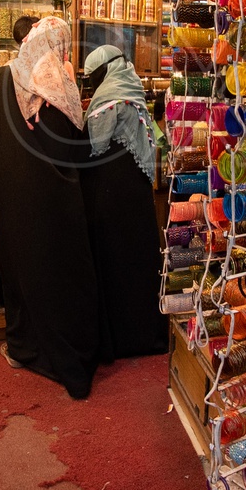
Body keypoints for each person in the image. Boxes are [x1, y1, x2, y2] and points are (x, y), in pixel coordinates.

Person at [0, 17, 102, 398]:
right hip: (60, 205)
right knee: (64, 271)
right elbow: (82, 148)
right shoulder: (66, 90)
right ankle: (71, 356)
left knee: (21, 272)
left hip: (11, 202)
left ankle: (24, 348)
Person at [80, 45, 167, 358]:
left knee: (117, 262)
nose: (92, 83)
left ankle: (123, 338)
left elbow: (95, 145)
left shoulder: (110, 98)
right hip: (135, 195)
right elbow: (152, 142)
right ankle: (147, 335)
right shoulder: (132, 92)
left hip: (113, 196)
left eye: (94, 76)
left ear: (105, 72)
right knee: (137, 260)